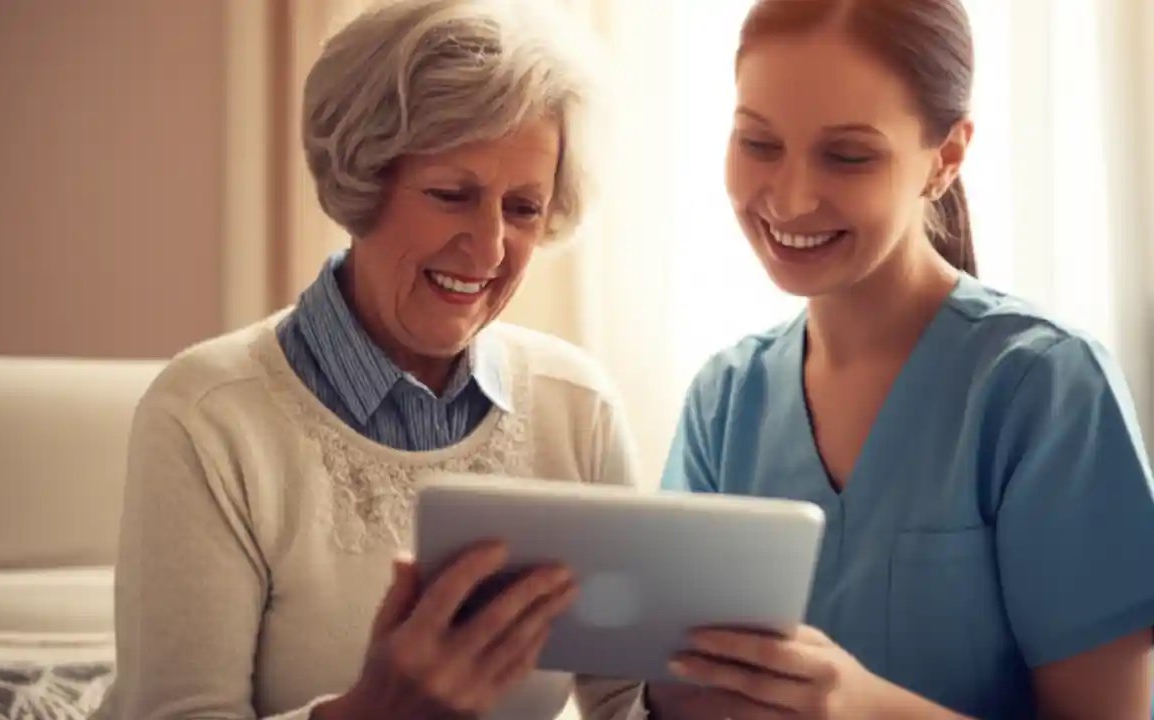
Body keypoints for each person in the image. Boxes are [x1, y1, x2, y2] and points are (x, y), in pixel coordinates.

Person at [91, 1, 645, 718]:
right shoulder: (207, 418)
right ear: (364, 179)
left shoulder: (579, 408)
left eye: (523, 209)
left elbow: (628, 703)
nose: (489, 250)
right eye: (452, 195)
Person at [648, 0, 1154, 718]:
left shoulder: (1042, 387)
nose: (790, 200)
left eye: (848, 155)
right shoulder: (725, 401)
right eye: (758, 144)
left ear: (945, 158)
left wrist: (861, 707)